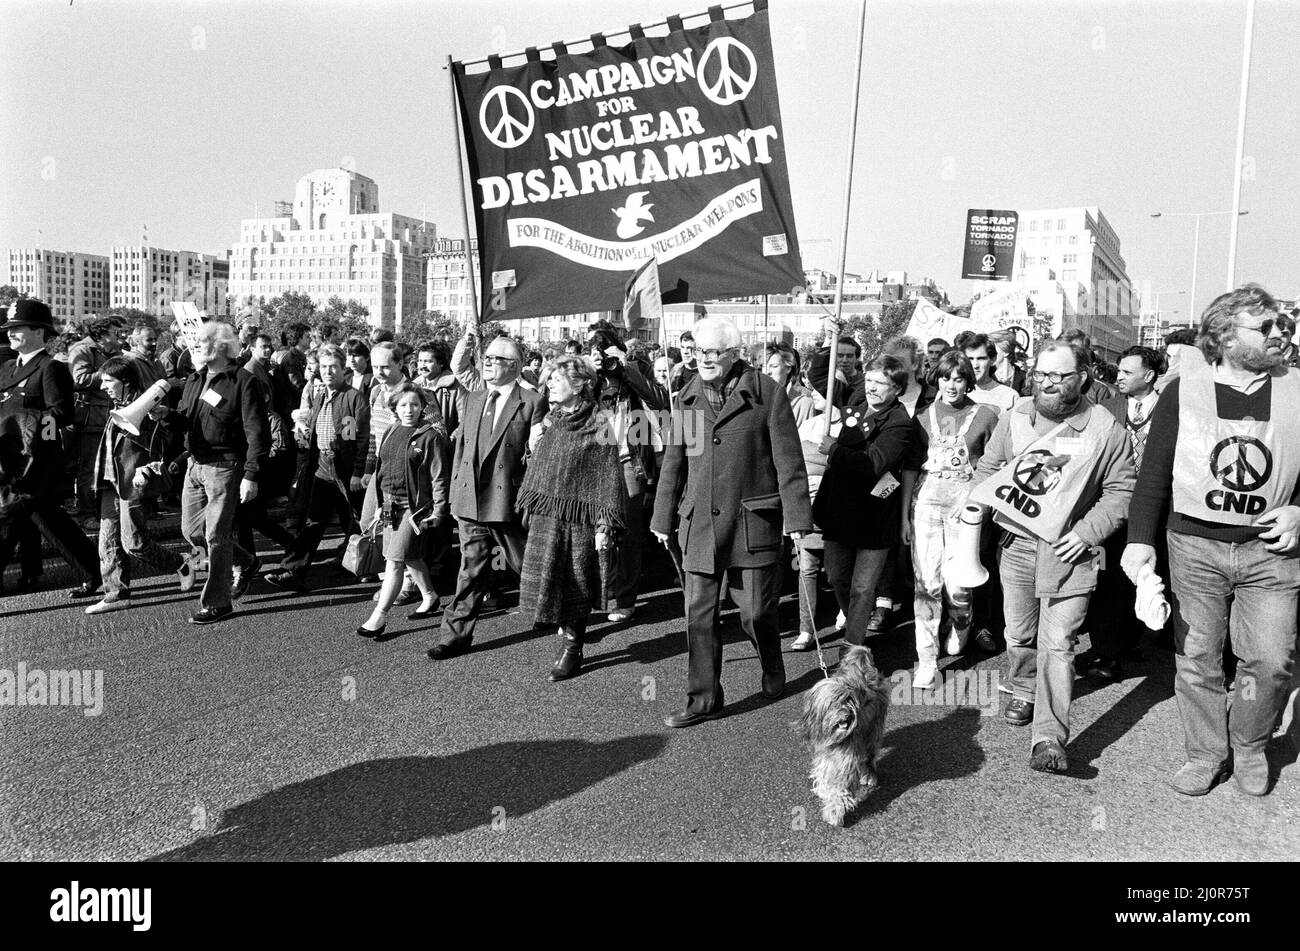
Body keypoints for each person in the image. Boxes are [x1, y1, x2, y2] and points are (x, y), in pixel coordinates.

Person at [1123, 285, 1300, 797]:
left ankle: (1249, 745)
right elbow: (1153, 471)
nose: (1278, 335)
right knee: (1197, 656)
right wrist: (1140, 541)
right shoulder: (1184, 389)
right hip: (1194, 546)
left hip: (1273, 550)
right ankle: (1206, 752)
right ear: (1223, 335)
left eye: (1280, 327)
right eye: (1263, 327)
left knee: (1269, 660)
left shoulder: (1296, 389)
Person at [969, 338, 1134, 774]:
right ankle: (1023, 687)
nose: (1046, 384)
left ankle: (1049, 739)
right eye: (1040, 375)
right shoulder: (1014, 416)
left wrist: (1086, 533)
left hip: (1072, 552)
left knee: (1058, 644)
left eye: (1058, 376)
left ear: (1083, 377)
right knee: (1019, 635)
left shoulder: (1106, 429)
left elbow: (1122, 490)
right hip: (1016, 547)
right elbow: (989, 468)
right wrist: (974, 507)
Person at [651, 317, 813, 727]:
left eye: (712, 352)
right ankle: (704, 698)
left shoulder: (765, 393)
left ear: (734, 353)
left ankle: (772, 662)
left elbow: (789, 462)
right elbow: (673, 465)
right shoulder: (685, 398)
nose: (702, 359)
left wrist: (797, 518)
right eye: (697, 350)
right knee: (699, 616)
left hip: (751, 522)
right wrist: (661, 517)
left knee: (756, 613)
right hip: (700, 524)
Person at [427, 334, 547, 660]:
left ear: (515, 366)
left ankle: (559, 611)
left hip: (508, 500)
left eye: (496, 359)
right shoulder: (476, 398)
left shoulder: (532, 401)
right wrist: (455, 494)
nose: (488, 363)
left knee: (526, 563)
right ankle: (454, 636)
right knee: (471, 569)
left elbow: (534, 457)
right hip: (470, 501)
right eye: (487, 358)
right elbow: (462, 448)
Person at [517, 356, 627, 680]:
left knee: (578, 583)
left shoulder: (600, 423)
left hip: (581, 519)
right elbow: (538, 465)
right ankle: (563, 627)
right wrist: (531, 444)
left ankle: (573, 648)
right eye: (548, 379)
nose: (550, 384)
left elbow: (609, 476)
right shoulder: (550, 420)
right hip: (548, 513)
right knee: (550, 577)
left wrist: (605, 525)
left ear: (580, 385)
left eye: (557, 379)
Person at [898, 353, 999, 687]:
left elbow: (994, 467)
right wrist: (905, 516)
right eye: (945, 378)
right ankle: (926, 659)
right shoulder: (923, 416)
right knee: (927, 583)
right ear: (936, 380)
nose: (951, 385)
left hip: (966, 506)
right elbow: (911, 466)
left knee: (958, 583)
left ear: (968, 380)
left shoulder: (986, 416)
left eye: (958, 378)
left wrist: (980, 504)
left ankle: (960, 624)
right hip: (926, 503)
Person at [1076, 345, 1165, 683]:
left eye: (1128, 372)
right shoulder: (1108, 408)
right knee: (1107, 579)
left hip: (1154, 511)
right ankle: (1105, 652)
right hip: (1112, 509)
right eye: (1120, 371)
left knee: (1141, 579)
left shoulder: (1170, 411)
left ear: (1149, 375)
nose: (1120, 377)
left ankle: (1129, 642)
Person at [813, 355, 915, 649]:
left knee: (862, 587)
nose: (871, 388)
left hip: (873, 517)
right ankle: (857, 618)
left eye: (880, 383)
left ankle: (852, 648)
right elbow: (819, 372)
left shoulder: (899, 423)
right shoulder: (855, 403)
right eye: (869, 380)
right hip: (840, 512)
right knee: (836, 577)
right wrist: (829, 339)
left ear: (896, 389)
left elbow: (873, 464)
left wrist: (833, 449)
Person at [0, 300, 102, 594]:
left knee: (7, 516)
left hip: (35, 463)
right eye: (9, 328)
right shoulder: (6, 369)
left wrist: (25, 425)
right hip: (8, 461)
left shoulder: (50, 368)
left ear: (39, 332)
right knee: (49, 520)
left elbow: (61, 414)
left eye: (17, 328)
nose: (11, 333)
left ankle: (96, 572)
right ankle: (96, 571)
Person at [171, 320, 268, 624]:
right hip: (195, 465)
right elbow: (185, 419)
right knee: (192, 531)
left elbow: (257, 431)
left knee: (216, 535)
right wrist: (166, 417)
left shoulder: (243, 381)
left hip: (225, 467)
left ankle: (218, 602)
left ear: (220, 345)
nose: (195, 345)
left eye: (201, 340)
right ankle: (246, 561)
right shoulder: (194, 379)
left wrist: (251, 474)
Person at [83, 356, 192, 614]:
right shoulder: (117, 404)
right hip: (110, 482)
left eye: (109, 381)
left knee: (133, 543)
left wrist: (150, 423)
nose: (103, 387)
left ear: (125, 382)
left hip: (132, 482)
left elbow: (161, 444)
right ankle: (116, 594)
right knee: (107, 542)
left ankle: (180, 563)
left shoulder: (146, 405)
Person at [267, 343, 370, 592]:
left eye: (333, 367)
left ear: (342, 369)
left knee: (358, 519)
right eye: (323, 367)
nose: (327, 372)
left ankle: (366, 565)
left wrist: (357, 472)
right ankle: (293, 571)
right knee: (313, 522)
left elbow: (359, 439)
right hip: (322, 467)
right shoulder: (320, 394)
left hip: (344, 468)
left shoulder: (352, 397)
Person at [356, 383, 452, 639]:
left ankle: (378, 616)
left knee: (395, 560)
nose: (409, 409)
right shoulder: (391, 429)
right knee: (405, 555)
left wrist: (439, 510)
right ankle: (430, 596)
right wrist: (378, 505)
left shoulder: (430, 436)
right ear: (395, 408)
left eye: (415, 404)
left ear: (423, 407)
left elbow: (439, 477)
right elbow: (383, 470)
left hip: (413, 509)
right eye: (403, 405)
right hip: (389, 505)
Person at [790, 350, 843, 651]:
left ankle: (846, 609)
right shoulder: (810, 425)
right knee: (807, 568)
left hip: (839, 510)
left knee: (836, 570)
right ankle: (805, 630)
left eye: (819, 388)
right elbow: (796, 461)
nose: (813, 393)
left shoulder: (850, 425)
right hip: (808, 507)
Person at [234, 333, 295, 571]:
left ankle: (253, 559)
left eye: (270, 346)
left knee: (249, 515)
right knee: (249, 516)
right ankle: (256, 556)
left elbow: (276, 447)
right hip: (252, 461)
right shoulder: (249, 373)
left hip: (261, 463)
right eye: (263, 347)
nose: (268, 350)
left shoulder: (270, 417)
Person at [67, 315, 126, 518]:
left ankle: (103, 511)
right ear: (101, 334)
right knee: (90, 467)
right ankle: (87, 512)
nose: (121, 336)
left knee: (106, 467)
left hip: (110, 415)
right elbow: (80, 379)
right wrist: (109, 372)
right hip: (90, 417)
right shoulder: (82, 350)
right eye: (115, 332)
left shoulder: (115, 351)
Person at [415, 340, 465, 438]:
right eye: (420, 361)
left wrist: (450, 441)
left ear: (441, 363)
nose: (422, 366)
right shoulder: (414, 386)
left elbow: (464, 420)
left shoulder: (455, 386)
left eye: (428, 361)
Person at [964, 333, 1018, 413]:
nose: (975, 365)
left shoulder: (1010, 396)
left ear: (993, 360)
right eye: (970, 359)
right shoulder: (951, 391)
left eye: (981, 359)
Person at [764, 341, 815, 424]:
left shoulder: (803, 403)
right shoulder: (756, 399)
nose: (767, 371)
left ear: (788, 368)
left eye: (774, 366)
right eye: (763, 366)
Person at [124, 322, 165, 387]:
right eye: (149, 340)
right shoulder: (131, 361)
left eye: (155, 339)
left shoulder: (157, 361)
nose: (154, 343)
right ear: (137, 341)